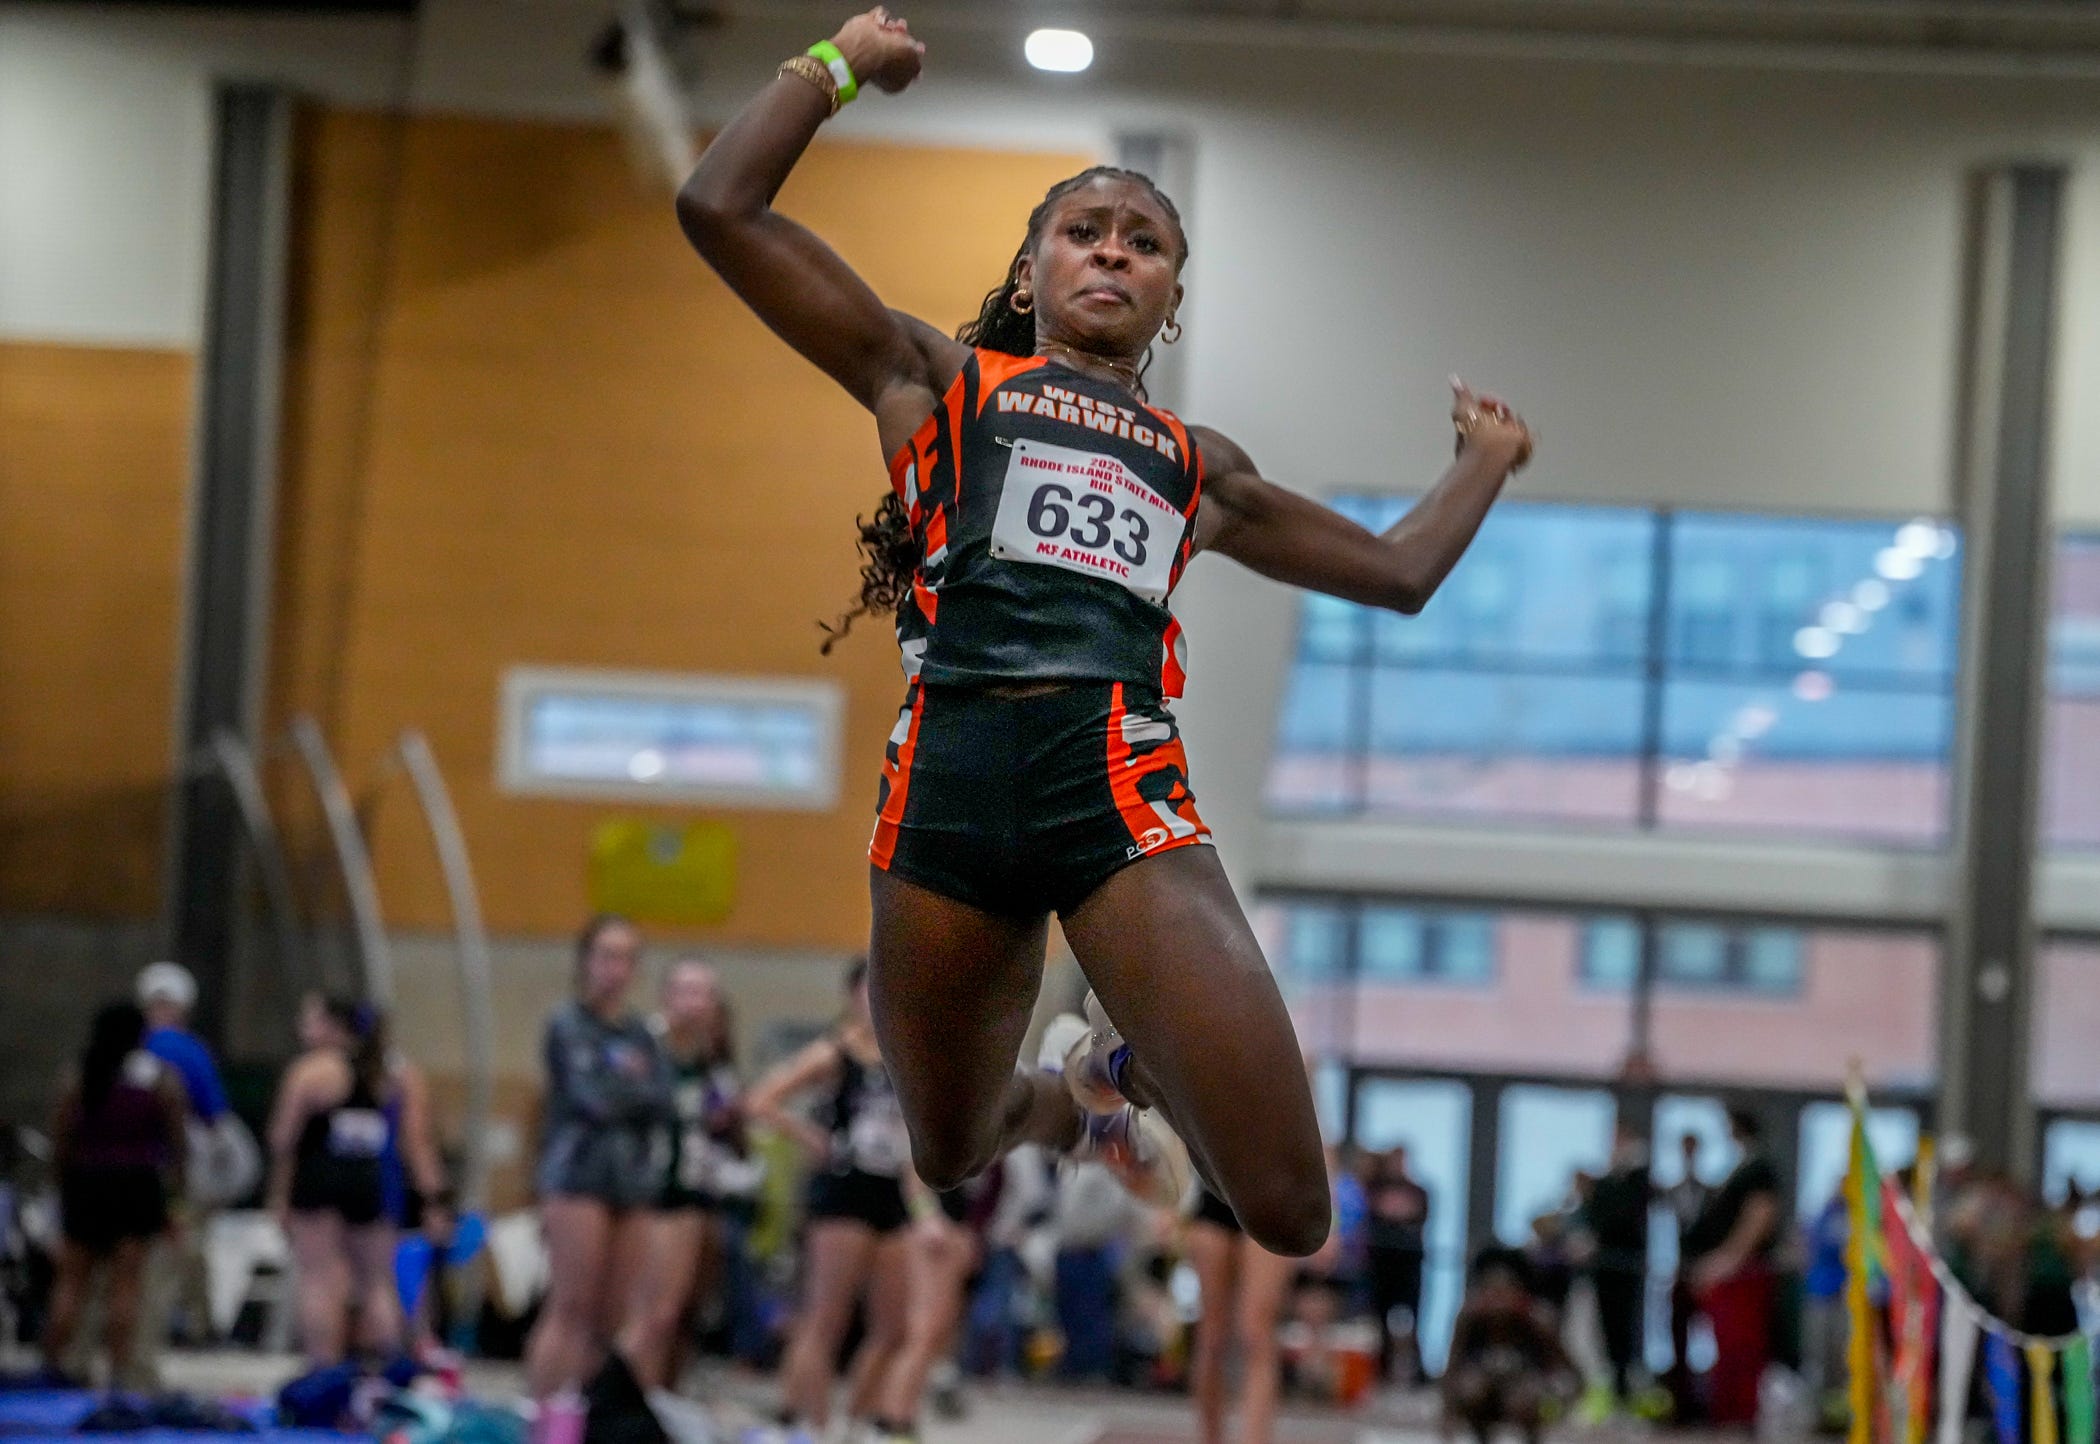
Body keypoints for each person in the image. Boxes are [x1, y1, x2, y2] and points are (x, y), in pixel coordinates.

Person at [675, 5, 1531, 1262]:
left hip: (1117, 792)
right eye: (1084, 232)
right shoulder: (934, 379)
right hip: (946, 790)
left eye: (1146, 243)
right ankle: (1078, 1100)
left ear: (1171, 299)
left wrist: (1484, 463)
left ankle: (1121, 1058)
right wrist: (840, 65)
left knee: (1291, 1212)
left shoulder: (1202, 467)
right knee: (950, 1145)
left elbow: (1399, 573)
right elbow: (720, 210)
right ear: (1032, 271)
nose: (1113, 255)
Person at [742, 960, 912, 1444]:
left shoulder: (906, 1057)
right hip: (842, 1193)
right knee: (826, 1319)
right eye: (868, 990)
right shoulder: (834, 1053)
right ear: (853, 996)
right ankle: (810, 1427)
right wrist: (810, 1136)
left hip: (889, 1193)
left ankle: (854, 1427)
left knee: (892, 1327)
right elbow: (761, 1100)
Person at [526, 915, 673, 1398]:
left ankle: (587, 1417)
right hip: (577, 1175)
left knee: (612, 1318)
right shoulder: (567, 1023)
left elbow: (664, 1100)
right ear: (586, 962)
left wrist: (631, 1094)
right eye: (608, 956)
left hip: (631, 1178)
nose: (617, 969)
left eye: (628, 959)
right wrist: (636, 1093)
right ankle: (545, 1418)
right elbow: (593, 1099)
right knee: (572, 1307)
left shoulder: (640, 1033)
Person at [267, 995, 446, 1365]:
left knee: (320, 1279)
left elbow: (283, 1139)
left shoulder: (313, 1071)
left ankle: (323, 1368)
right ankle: (388, 1367)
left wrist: (280, 1194)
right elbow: (416, 1141)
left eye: (312, 1021)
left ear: (334, 1027)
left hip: (320, 1179)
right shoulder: (395, 1074)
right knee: (377, 1283)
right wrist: (435, 1198)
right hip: (370, 1183)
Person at [40, 1003, 188, 1386]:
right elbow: (177, 1141)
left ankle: (55, 1365)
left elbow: (62, 1134)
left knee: (72, 1281)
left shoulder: (82, 1073)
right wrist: (174, 1196)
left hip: (87, 1180)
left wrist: (61, 1184)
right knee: (127, 1284)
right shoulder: (158, 1078)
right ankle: (120, 1371)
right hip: (137, 1184)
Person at [621, 958, 749, 1389]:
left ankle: (651, 1405)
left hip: (693, 1191)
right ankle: (614, 1408)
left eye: (704, 994)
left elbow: (728, 1128)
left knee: (670, 1315)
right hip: (647, 1191)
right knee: (642, 1315)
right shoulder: (643, 1046)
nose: (694, 1003)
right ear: (665, 996)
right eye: (685, 992)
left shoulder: (713, 1060)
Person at [1682, 1109, 1781, 1428]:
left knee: (1741, 1346)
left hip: (1741, 1273)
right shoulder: (1738, 1167)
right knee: (1725, 1346)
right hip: (1728, 1270)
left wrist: (1727, 1259)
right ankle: (1727, 1413)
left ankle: (1739, 1416)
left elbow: (1758, 1216)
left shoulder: (1758, 1168)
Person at [1186, 1187, 1300, 1444]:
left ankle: (1256, 1439)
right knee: (1212, 1336)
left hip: (1273, 1203)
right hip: (1215, 1198)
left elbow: (1319, 1151)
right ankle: (1210, 1438)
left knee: (1256, 1332)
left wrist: (1330, 1218)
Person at [1442, 1247, 1579, 1444]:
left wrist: (1557, 1401)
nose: (1498, 1299)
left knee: (1524, 1397)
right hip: (1484, 1392)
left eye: (1504, 1290)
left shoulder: (1537, 1319)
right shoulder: (1471, 1318)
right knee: (1472, 1388)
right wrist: (1448, 1414)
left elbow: (1571, 1374)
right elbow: (1452, 1368)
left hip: (1523, 1391)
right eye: (1491, 1290)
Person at [1582, 1123, 1651, 1410]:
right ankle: (1611, 1386)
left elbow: (1625, 1217)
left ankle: (1627, 1389)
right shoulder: (1607, 1180)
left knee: (1627, 1329)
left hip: (1626, 1265)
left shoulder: (1638, 1179)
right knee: (1606, 1329)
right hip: (1605, 1267)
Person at [1368, 1145, 1432, 1383]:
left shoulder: (1418, 1191)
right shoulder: (1374, 1189)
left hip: (1409, 1263)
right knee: (1381, 1318)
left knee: (1414, 1316)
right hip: (1382, 1264)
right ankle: (1381, 1368)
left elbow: (1421, 1216)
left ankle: (1419, 1370)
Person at [1662, 1131, 1712, 1421]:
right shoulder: (1668, 1191)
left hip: (1706, 1274)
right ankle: (1679, 1403)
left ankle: (1708, 1400)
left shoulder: (1712, 1190)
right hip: (1677, 1274)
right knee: (1676, 1339)